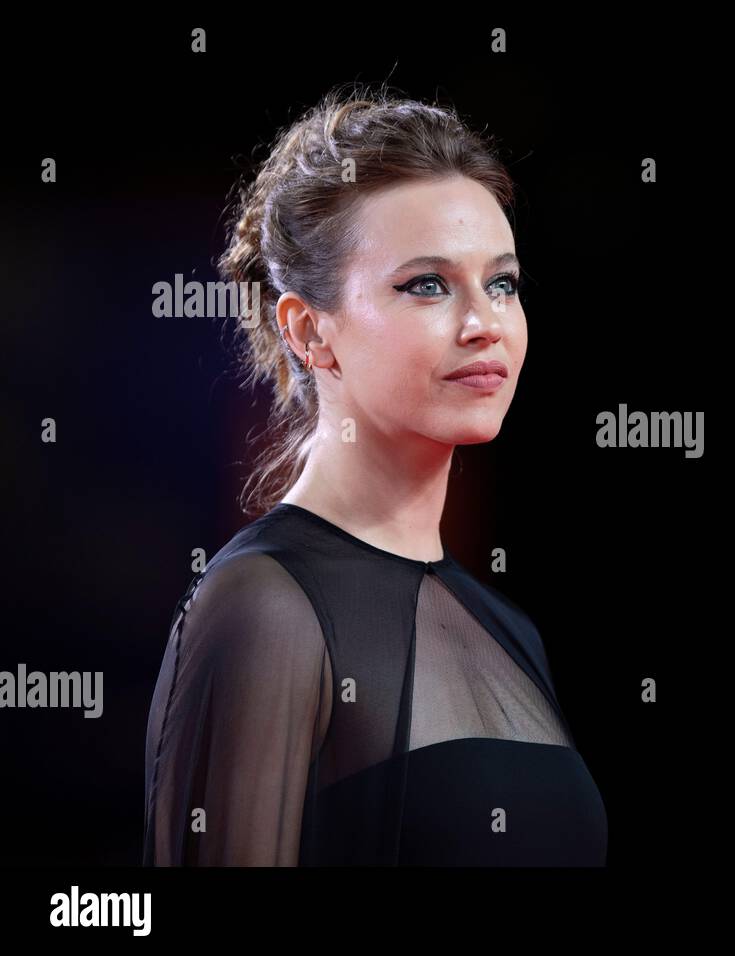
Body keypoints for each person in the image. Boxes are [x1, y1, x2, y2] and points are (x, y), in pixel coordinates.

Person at [143, 85, 607, 865]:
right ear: (309, 330)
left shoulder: (507, 629)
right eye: (426, 284)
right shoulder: (264, 607)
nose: (483, 323)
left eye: (502, 283)